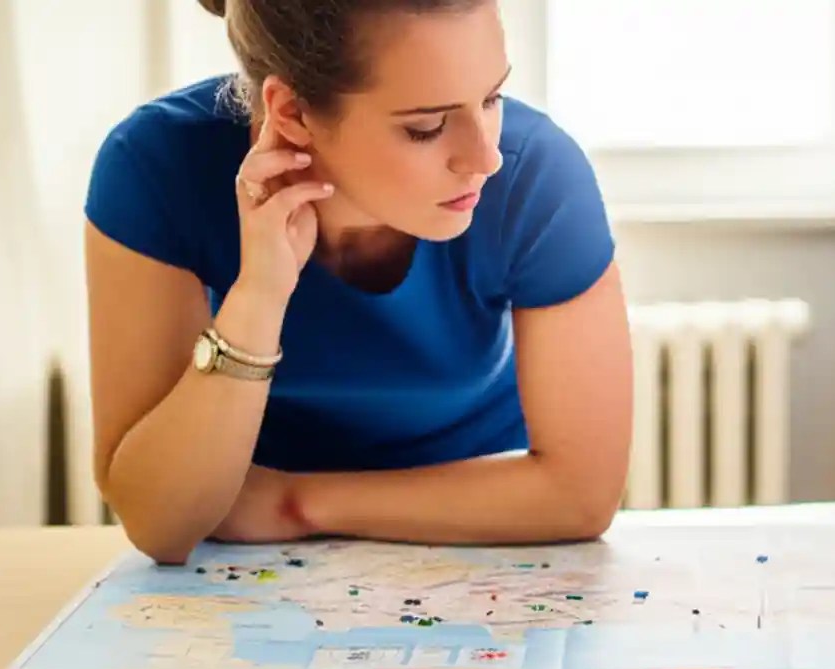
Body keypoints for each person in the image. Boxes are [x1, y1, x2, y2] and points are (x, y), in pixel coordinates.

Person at [84, 0, 632, 565]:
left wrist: (295, 504)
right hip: (248, 571)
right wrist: (258, 296)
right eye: (426, 127)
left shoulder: (536, 172)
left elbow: (580, 496)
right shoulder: (155, 167)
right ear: (292, 113)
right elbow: (159, 523)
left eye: (492, 98)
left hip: (482, 548)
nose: (486, 157)